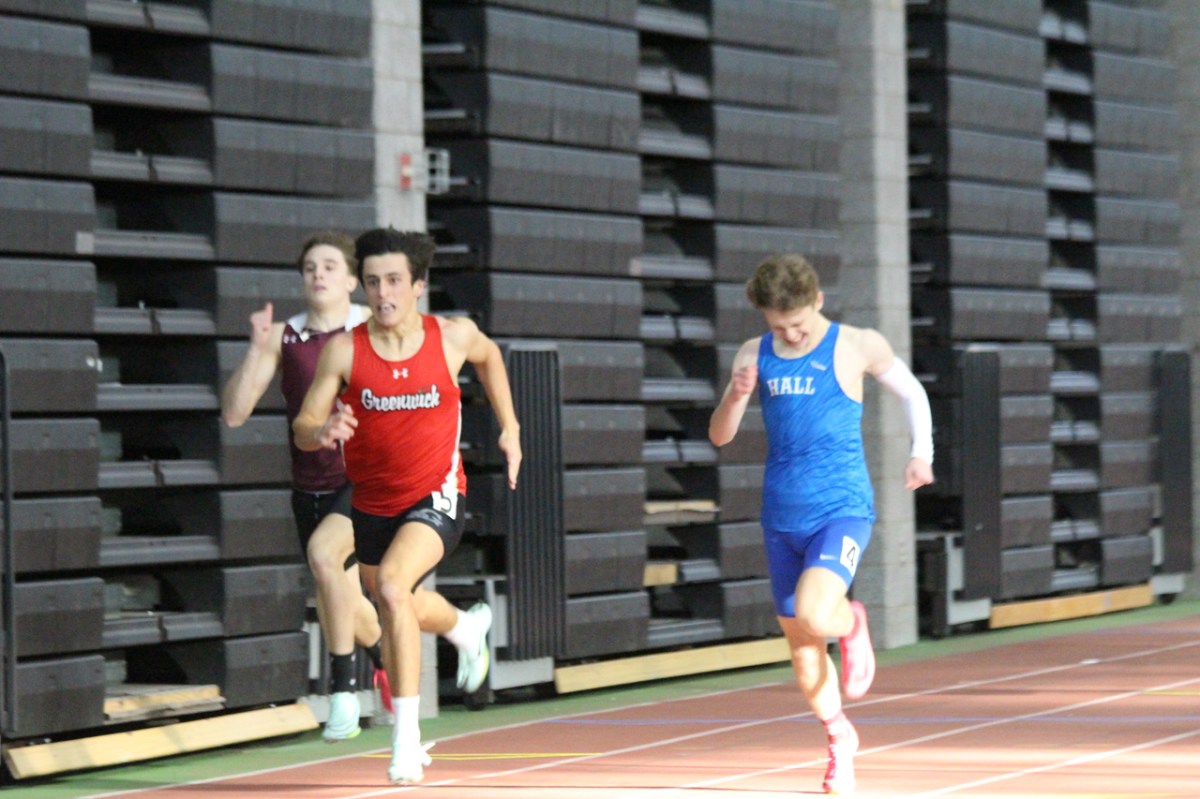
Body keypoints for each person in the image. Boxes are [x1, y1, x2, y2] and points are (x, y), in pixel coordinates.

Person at [293, 227, 521, 785]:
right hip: (372, 499)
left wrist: (511, 428)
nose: (383, 293)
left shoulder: (451, 337)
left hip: (437, 492)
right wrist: (321, 430)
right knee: (392, 605)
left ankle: (407, 741)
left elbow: (491, 360)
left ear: (418, 285)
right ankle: (466, 629)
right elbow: (302, 424)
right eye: (372, 282)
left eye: (394, 280)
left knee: (393, 588)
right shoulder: (346, 350)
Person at [708, 253, 934, 795]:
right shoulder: (753, 355)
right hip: (781, 515)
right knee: (804, 649)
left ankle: (853, 622)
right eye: (777, 325)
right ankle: (839, 739)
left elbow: (912, 392)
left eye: (798, 324)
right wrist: (737, 395)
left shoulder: (857, 344)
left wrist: (920, 452)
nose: (788, 334)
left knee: (817, 612)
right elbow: (719, 436)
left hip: (841, 509)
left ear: (818, 301)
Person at [221, 231, 389, 742]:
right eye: (310, 267)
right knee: (342, 594)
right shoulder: (285, 337)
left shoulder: (371, 329)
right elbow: (234, 413)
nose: (318, 274)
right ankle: (393, 653)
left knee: (324, 561)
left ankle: (343, 692)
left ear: (353, 280)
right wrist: (254, 348)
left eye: (330, 266)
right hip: (309, 484)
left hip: (367, 480)